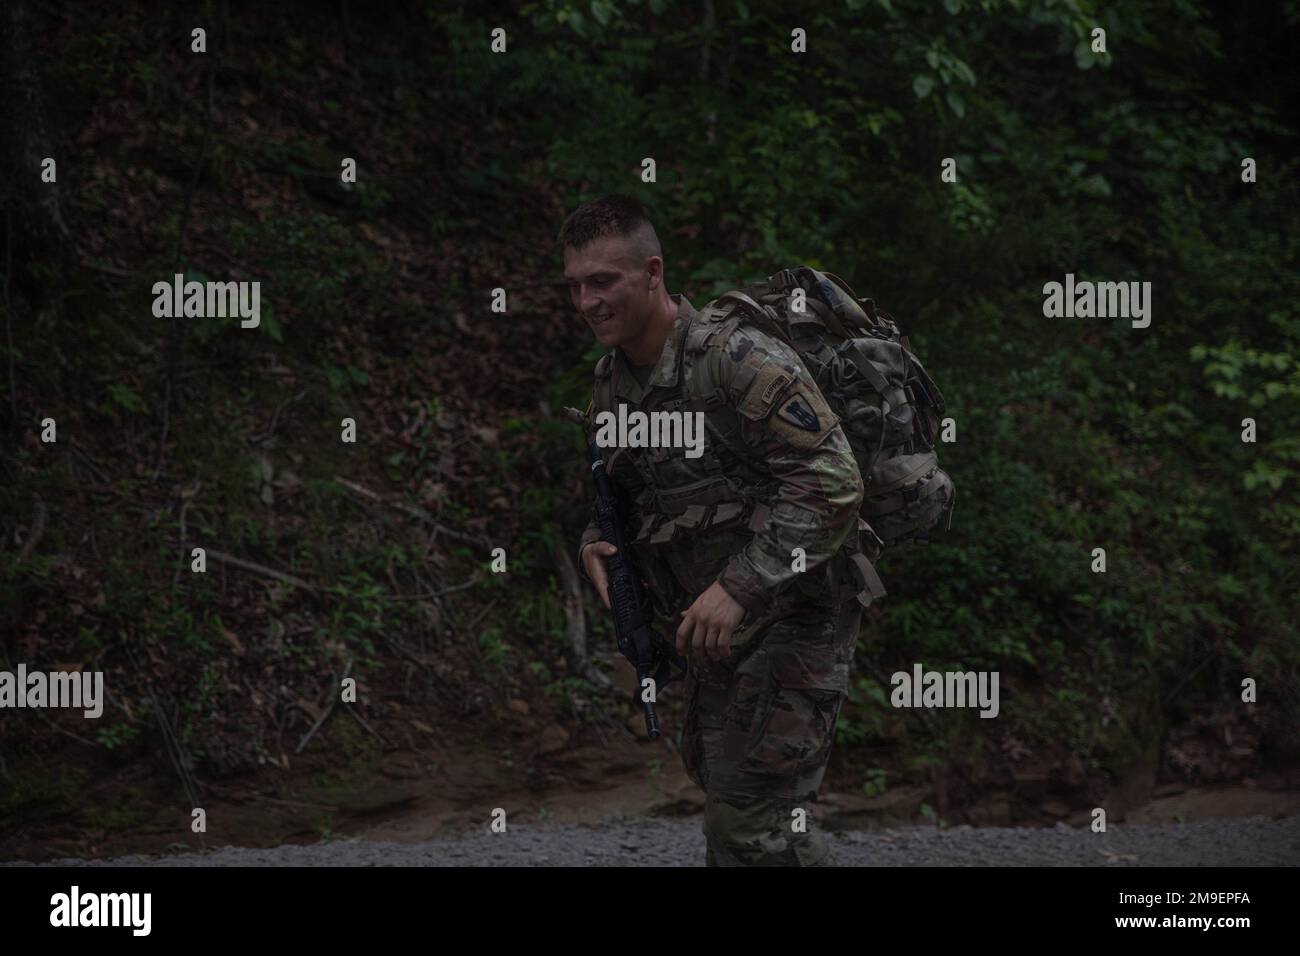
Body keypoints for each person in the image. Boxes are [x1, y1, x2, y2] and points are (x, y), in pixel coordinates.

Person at [561, 194, 871, 866]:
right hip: (715, 630)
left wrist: (740, 585)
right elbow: (627, 498)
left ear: (653, 272)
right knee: (764, 820)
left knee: (742, 826)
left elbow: (835, 481)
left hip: (795, 613)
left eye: (604, 280)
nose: (588, 301)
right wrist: (596, 548)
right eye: (576, 285)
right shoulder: (612, 385)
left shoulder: (736, 360)